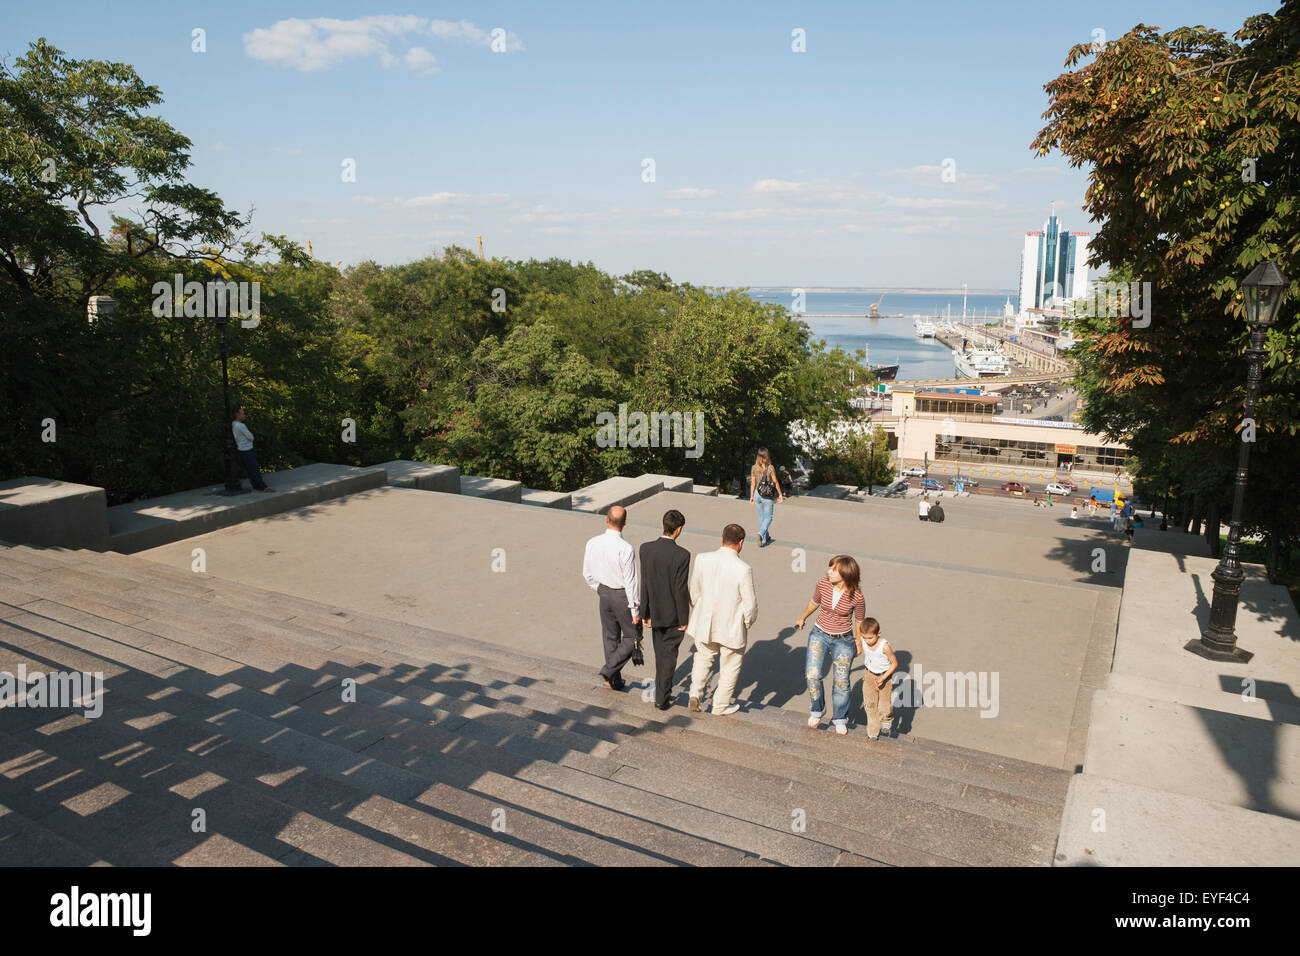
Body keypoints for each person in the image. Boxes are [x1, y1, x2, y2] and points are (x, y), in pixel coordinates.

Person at [686, 523, 758, 716]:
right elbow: (750, 603)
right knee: (730, 666)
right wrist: (747, 622)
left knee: (702, 658)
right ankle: (720, 705)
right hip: (731, 626)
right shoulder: (743, 569)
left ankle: (695, 693)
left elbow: (694, 591)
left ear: (722, 539)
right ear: (741, 543)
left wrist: (699, 609)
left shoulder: (702, 559)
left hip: (705, 621)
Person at [794, 556, 866, 736]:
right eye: (830, 568)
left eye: (833, 570)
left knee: (841, 682)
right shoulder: (822, 584)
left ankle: (840, 718)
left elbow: (859, 621)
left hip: (843, 640)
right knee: (812, 674)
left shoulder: (857, 596)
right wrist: (803, 617)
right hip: (819, 634)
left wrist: (859, 642)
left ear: (845, 574)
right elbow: (814, 603)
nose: (829, 572)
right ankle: (818, 709)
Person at [581, 505, 640, 691]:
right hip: (622, 595)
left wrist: (599, 588)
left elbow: (587, 573)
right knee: (633, 636)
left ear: (606, 520)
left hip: (603, 592)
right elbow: (631, 582)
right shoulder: (626, 548)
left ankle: (614, 680)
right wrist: (635, 610)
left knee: (610, 637)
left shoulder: (592, 542)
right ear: (625, 523)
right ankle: (608, 671)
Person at [639, 509, 691, 711]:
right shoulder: (682, 555)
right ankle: (662, 697)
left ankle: (660, 688)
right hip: (672, 616)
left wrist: (644, 612)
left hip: (654, 613)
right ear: (678, 529)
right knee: (668, 656)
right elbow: (680, 589)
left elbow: (644, 583)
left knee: (660, 653)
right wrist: (684, 617)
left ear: (663, 525)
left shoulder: (646, 549)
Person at [856, 618, 898, 741]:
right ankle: (873, 732)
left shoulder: (884, 647)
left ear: (878, 633)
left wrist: (884, 678)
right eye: (865, 638)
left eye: (870, 638)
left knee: (884, 704)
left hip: (884, 675)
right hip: (869, 674)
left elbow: (894, 664)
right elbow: (858, 651)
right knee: (869, 704)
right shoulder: (863, 641)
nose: (867, 641)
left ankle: (886, 720)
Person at [231, 407, 275, 493]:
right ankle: (262, 487)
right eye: (242, 413)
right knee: (254, 469)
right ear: (237, 415)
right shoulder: (241, 425)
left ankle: (256, 486)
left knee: (250, 470)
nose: (244, 415)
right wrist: (250, 437)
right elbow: (251, 437)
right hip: (247, 450)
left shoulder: (233, 424)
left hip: (241, 450)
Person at [749, 448, 785, 547]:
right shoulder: (770, 468)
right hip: (767, 496)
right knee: (768, 518)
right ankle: (761, 533)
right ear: (767, 456)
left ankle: (765, 538)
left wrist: (751, 496)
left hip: (757, 494)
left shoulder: (754, 467)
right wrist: (780, 495)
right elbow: (775, 482)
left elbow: (752, 483)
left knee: (761, 517)